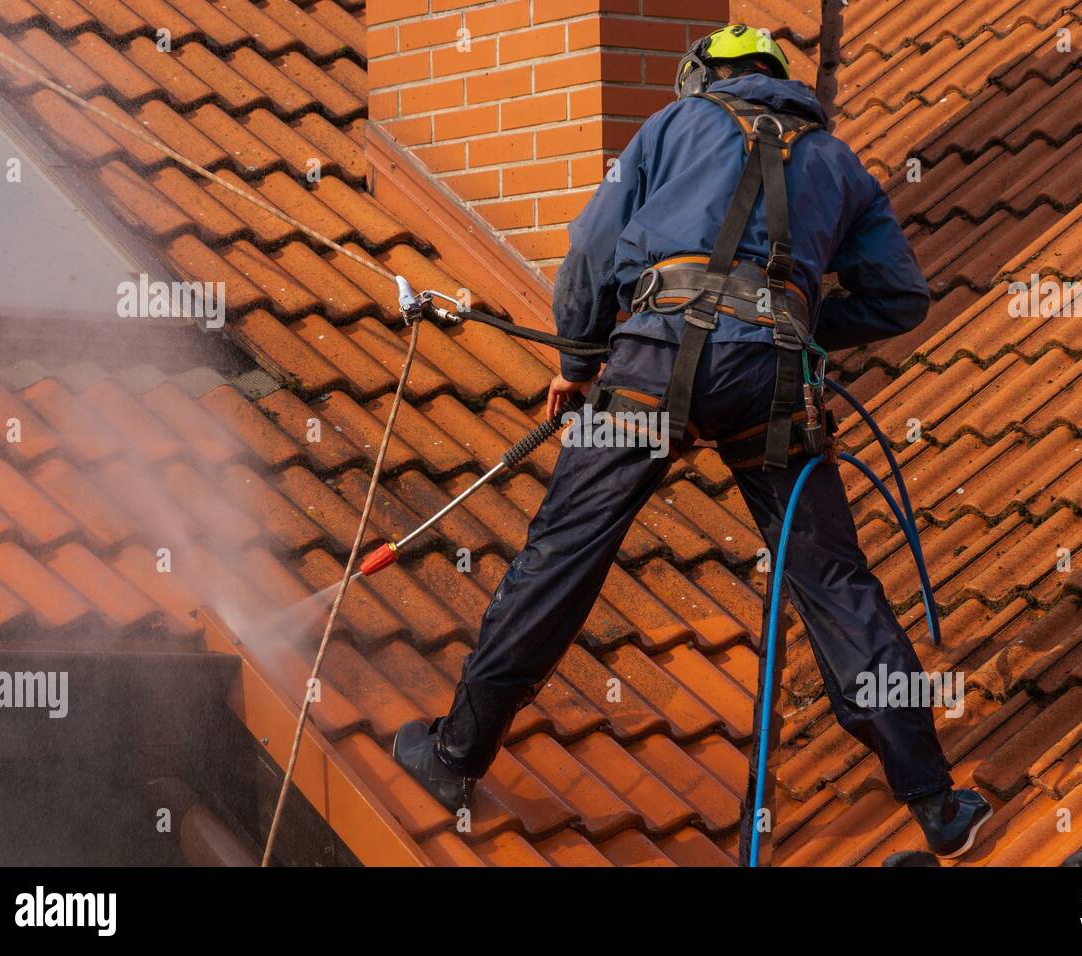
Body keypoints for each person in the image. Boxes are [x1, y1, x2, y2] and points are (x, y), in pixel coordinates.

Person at [394, 23, 992, 860]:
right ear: (782, 81)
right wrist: (799, 323)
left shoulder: (671, 126)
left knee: (563, 554)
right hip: (774, 384)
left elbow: (594, 249)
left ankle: (455, 755)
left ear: (706, 75)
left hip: (651, 364)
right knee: (832, 581)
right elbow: (902, 297)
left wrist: (577, 357)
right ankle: (936, 802)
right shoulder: (838, 161)